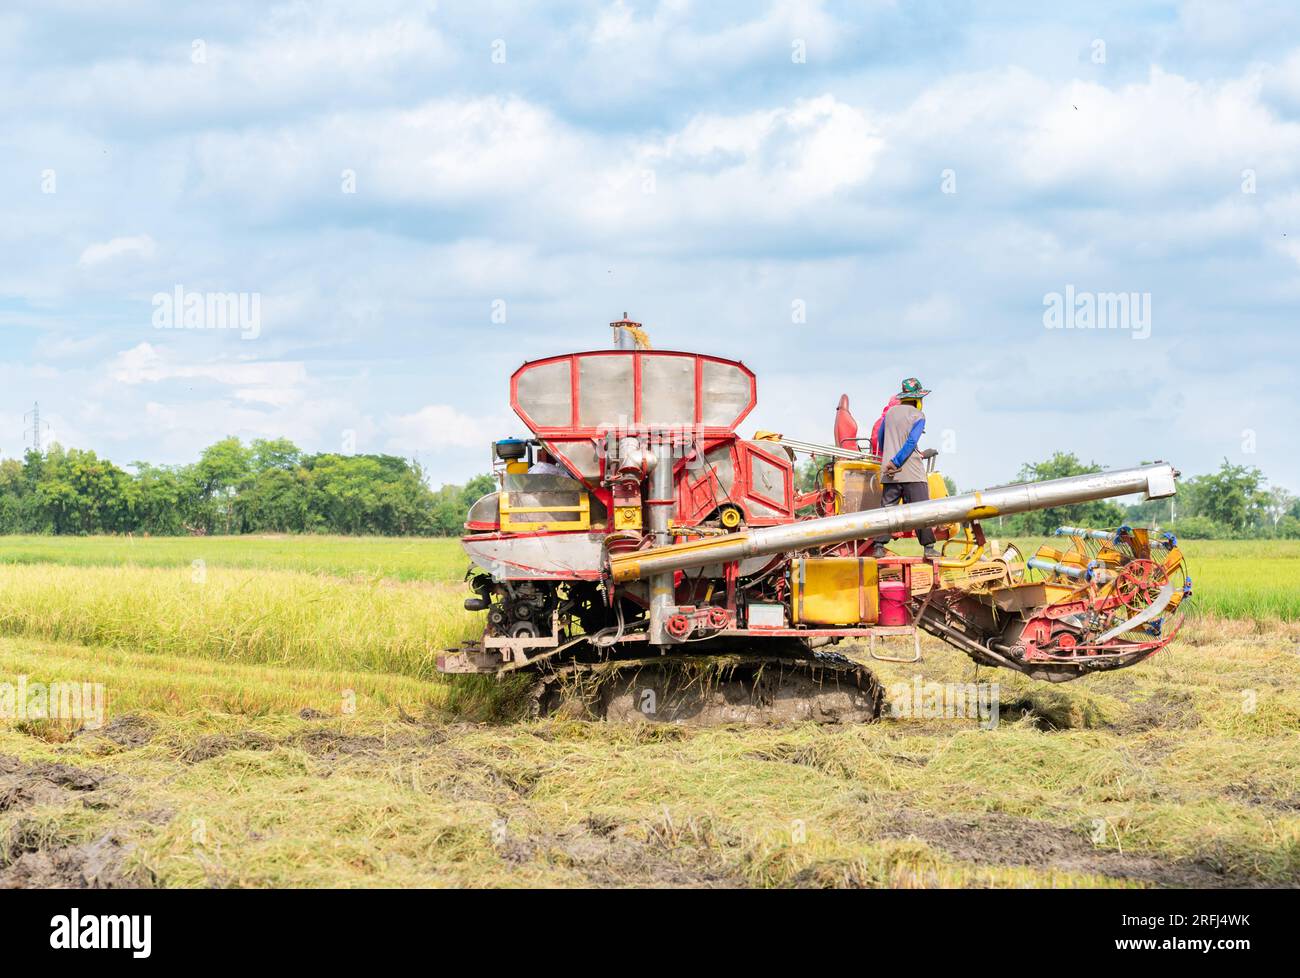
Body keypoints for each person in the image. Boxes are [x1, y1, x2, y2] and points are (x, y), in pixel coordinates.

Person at [870, 377, 940, 560]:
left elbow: (881, 437)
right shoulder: (919, 416)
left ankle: (878, 546)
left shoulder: (889, 414)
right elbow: (910, 442)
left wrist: (889, 459)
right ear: (918, 399)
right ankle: (929, 548)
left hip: (889, 473)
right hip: (912, 473)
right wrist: (898, 460)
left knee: (887, 510)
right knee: (921, 510)